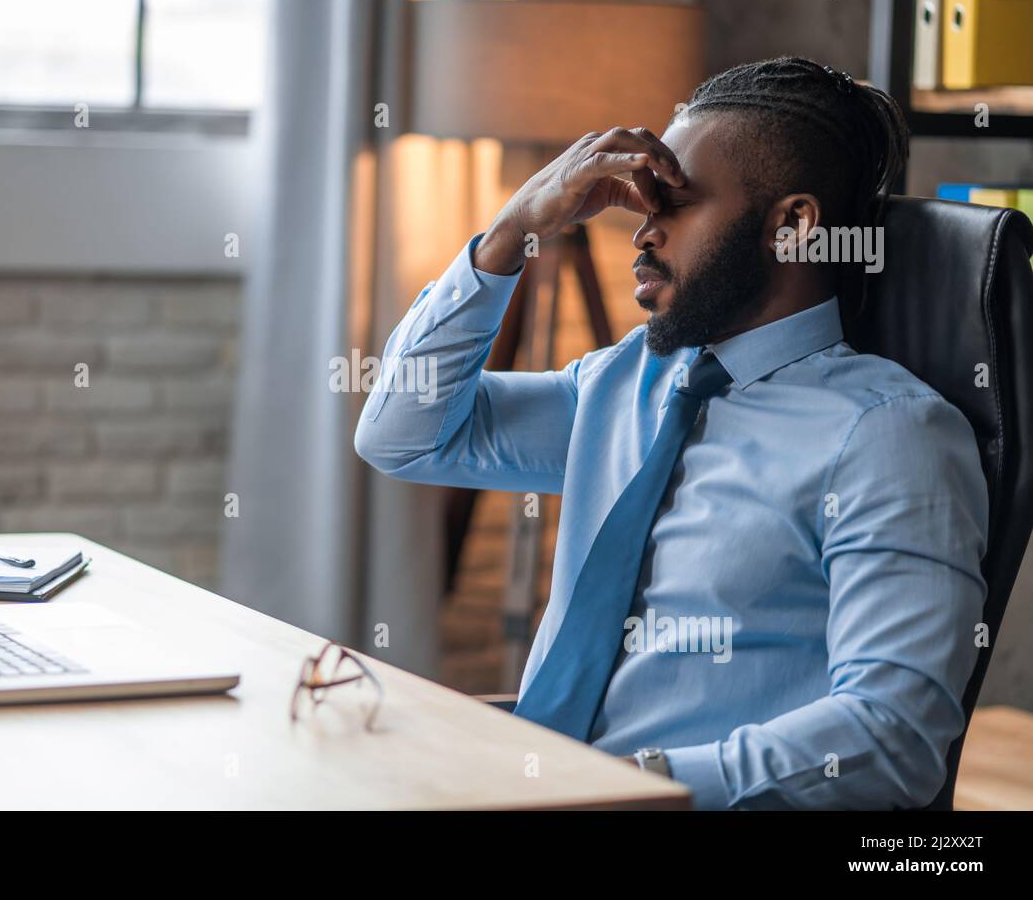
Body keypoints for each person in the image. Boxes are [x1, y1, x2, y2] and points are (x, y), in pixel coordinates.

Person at [353, 56, 987, 809]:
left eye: (675, 204)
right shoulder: (628, 383)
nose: (640, 233)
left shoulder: (888, 436)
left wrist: (624, 787)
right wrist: (512, 229)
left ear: (793, 225)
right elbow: (401, 434)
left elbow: (892, 739)